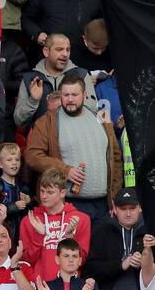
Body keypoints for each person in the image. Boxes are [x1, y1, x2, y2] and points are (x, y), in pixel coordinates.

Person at [24, 73, 122, 221]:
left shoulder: (100, 117)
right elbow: (32, 155)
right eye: (66, 94)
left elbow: (115, 157)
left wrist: (114, 197)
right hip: (69, 204)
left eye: (74, 94)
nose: (69, 99)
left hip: (103, 206)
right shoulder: (47, 122)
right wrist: (65, 170)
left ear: (84, 95)